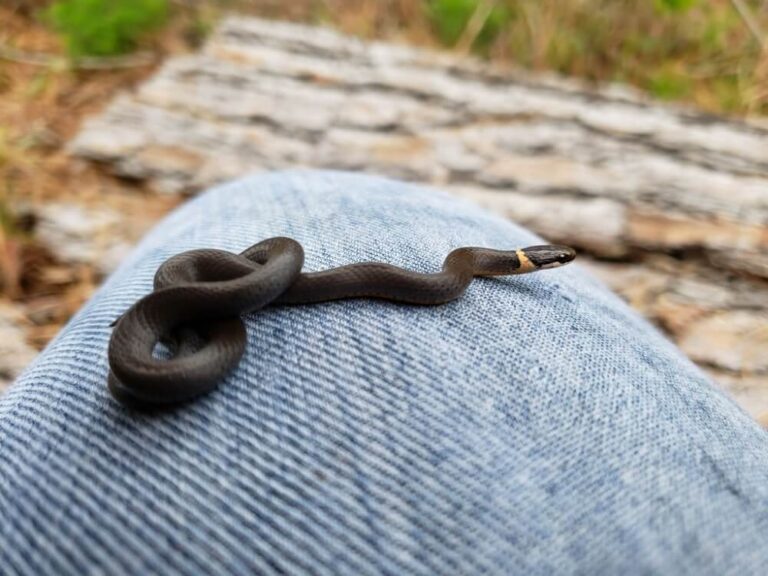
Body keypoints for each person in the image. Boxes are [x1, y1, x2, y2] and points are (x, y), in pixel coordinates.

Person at [1, 170, 766, 575]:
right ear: (525, 265)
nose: (555, 265)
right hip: (223, 290)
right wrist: (241, 288)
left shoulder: (461, 271)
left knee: (277, 222)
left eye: (551, 259)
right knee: (273, 250)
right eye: (551, 261)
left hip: (224, 287)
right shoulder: (454, 274)